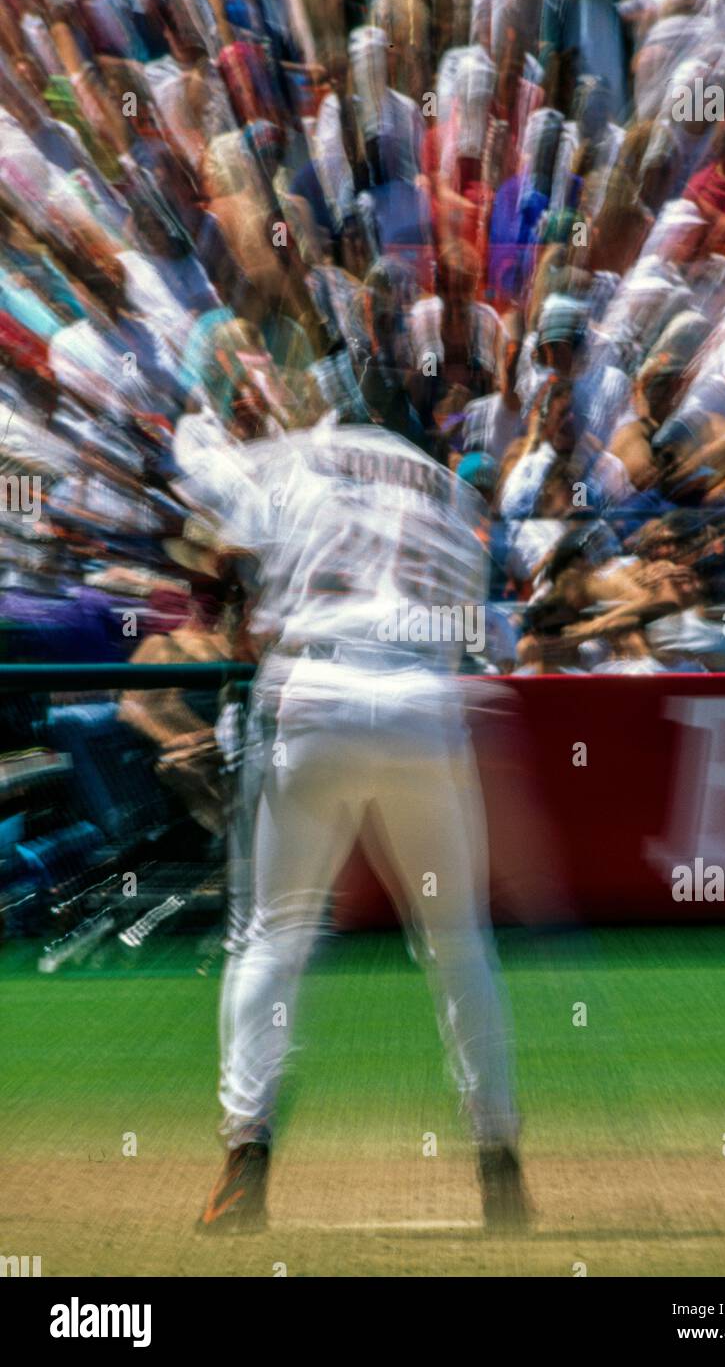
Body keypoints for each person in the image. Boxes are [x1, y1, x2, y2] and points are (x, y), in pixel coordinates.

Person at [170, 404, 528, 1234]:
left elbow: (213, 543)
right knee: (458, 941)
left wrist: (224, 614)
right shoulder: (447, 490)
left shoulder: (299, 454)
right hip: (421, 702)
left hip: (314, 694)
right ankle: (498, 1156)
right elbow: (471, 619)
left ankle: (243, 1160)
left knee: (275, 935)